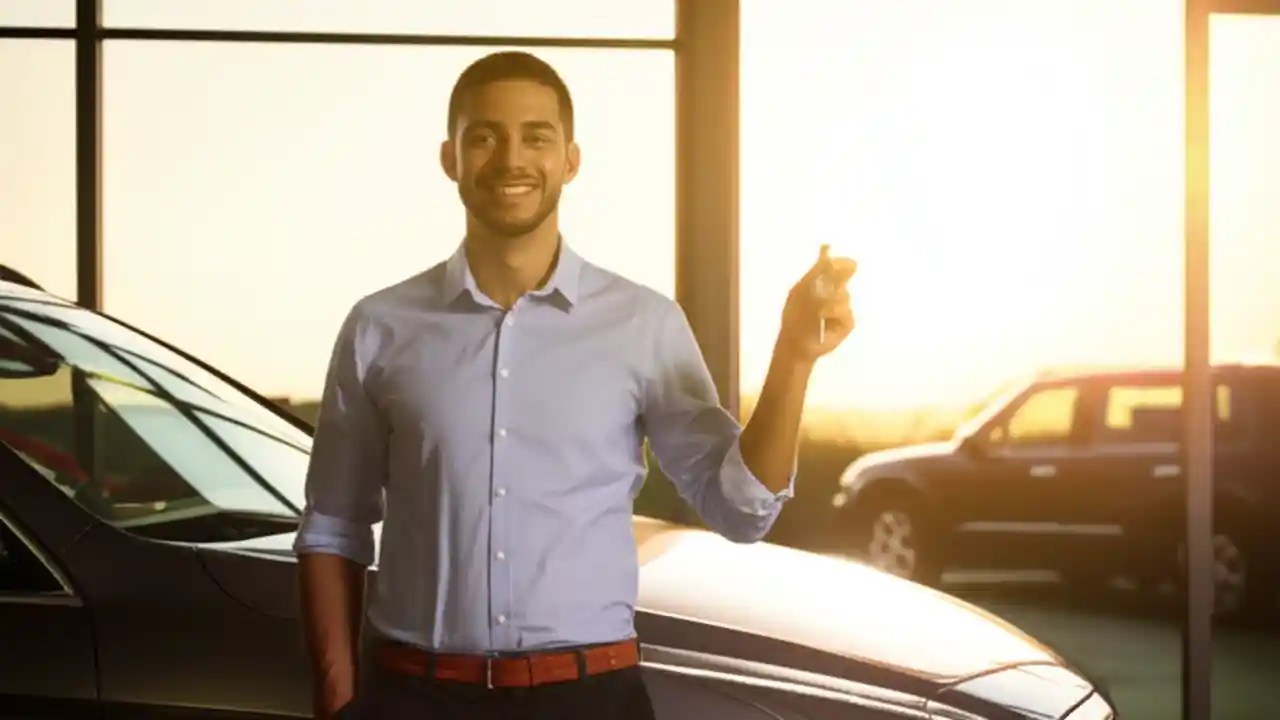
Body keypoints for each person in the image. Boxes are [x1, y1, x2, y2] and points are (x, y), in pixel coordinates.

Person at [293, 51, 857, 720]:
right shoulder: (379, 328)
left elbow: (741, 510)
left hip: (590, 701)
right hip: (413, 698)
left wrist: (792, 358)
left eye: (536, 136)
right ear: (450, 157)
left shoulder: (642, 325)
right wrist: (337, 698)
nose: (511, 159)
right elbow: (333, 527)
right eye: (485, 136)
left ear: (571, 159)